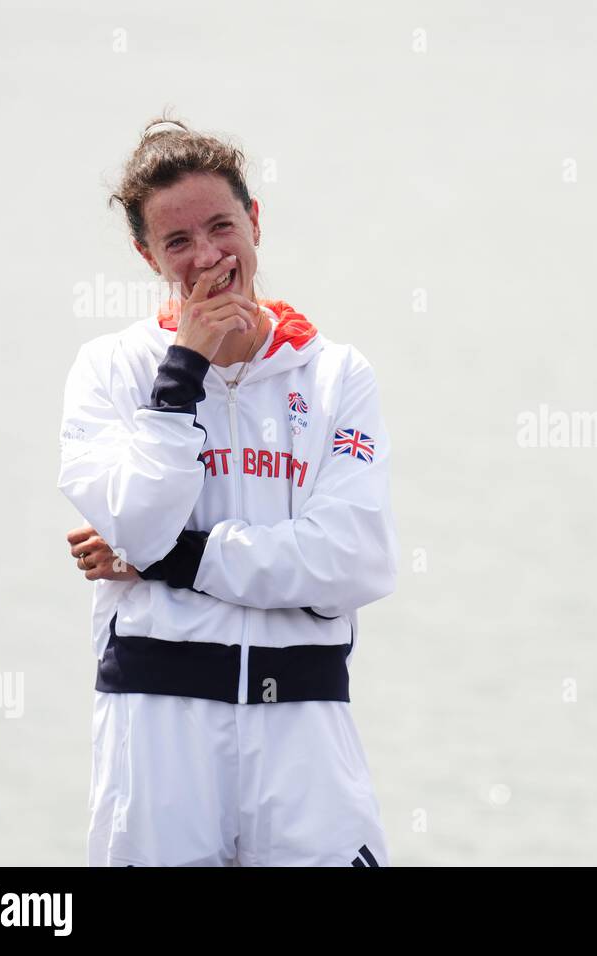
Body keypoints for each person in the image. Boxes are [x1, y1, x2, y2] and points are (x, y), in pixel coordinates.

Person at [58, 117, 397, 866]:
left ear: (255, 221)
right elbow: (139, 523)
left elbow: (355, 563)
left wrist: (172, 561)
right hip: (158, 733)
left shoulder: (338, 375)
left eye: (221, 226)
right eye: (178, 243)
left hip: (304, 727)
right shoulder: (108, 371)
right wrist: (183, 370)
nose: (208, 256)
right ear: (147, 255)